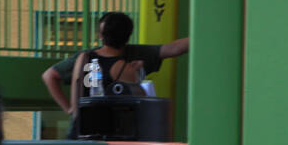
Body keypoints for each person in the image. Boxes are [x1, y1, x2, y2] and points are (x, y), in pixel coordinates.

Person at [40, 11, 190, 120]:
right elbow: (143, 103)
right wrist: (138, 75)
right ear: (128, 36)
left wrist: (70, 109)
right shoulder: (127, 66)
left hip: (81, 130)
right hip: (113, 131)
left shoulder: (83, 58)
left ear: (101, 35)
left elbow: (49, 76)